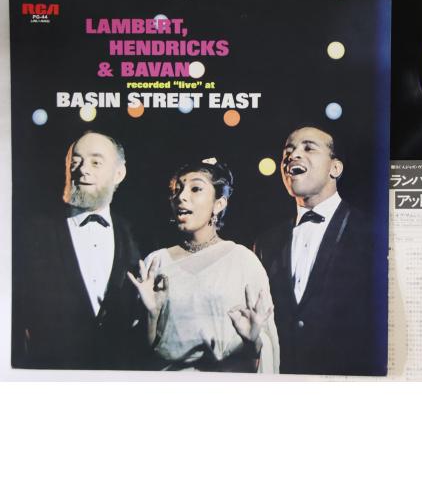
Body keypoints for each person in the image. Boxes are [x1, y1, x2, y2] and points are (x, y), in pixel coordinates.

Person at [128, 158, 279, 373]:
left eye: (195, 188)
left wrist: (253, 341)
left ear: (219, 204)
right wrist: (151, 315)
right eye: (176, 190)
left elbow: (266, 342)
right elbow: (139, 353)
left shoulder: (243, 261)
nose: (181, 197)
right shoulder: (156, 262)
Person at [12, 131, 148, 370]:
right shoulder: (30, 233)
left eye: (96, 162)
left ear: (119, 173)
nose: (82, 169)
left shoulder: (138, 236)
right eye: (75, 162)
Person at [254, 126, 382, 376]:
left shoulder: (371, 232)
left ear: (335, 168)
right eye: (287, 152)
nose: (292, 156)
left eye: (308, 148)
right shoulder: (266, 243)